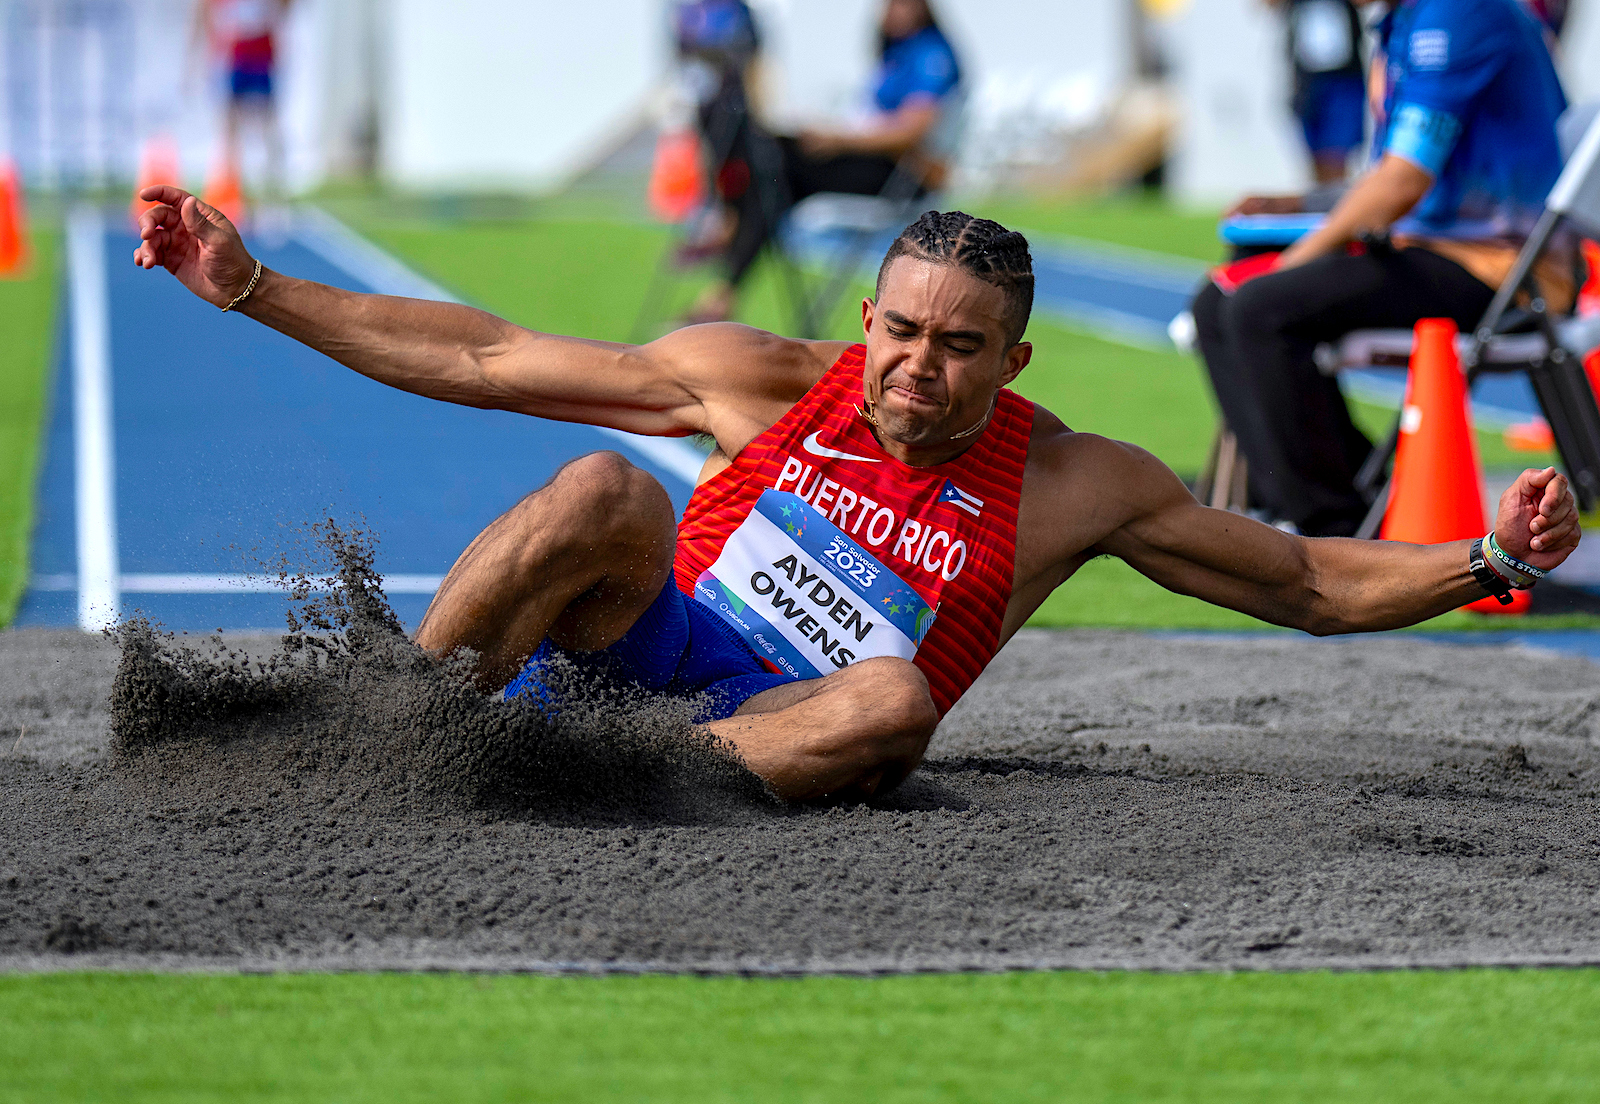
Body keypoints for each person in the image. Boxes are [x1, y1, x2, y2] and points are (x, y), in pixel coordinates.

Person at [132, 194, 1581, 802]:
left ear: (1010, 361)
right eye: (899, 332)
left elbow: (1305, 582)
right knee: (599, 486)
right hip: (652, 639)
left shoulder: (1077, 483)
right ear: (870, 320)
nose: (915, 370)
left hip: (786, 729)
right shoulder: (763, 380)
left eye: (957, 348)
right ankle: (396, 729)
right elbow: (491, 357)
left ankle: (580, 786)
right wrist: (253, 287)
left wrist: (1485, 557)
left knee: (896, 701)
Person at [1195, 0, 1572, 537]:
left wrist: (1297, 258)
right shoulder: (1409, 18)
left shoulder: (1457, 14)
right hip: (1440, 246)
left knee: (1259, 306)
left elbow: (1403, 182)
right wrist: (1301, 202)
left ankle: (1334, 530)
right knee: (1216, 300)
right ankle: (1322, 499)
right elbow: (1396, 174)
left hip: (1502, 271)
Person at [685, 0, 961, 323]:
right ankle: (723, 286)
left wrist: (837, 139)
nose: (892, 10)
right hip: (873, 161)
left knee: (770, 160)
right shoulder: (897, 51)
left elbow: (910, 133)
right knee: (770, 176)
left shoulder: (931, 54)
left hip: (903, 176)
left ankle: (729, 221)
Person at [192, 0, 291, 200]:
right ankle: (233, 186)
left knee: (268, 124)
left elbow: (285, 7)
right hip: (232, 59)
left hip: (261, 56)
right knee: (230, 126)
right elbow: (203, 13)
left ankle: (274, 185)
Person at [1270, 0, 1369, 184]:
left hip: (1344, 76)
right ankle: (1324, 199)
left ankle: (1337, 199)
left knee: (1335, 157)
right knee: (1315, 161)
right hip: (1306, 79)